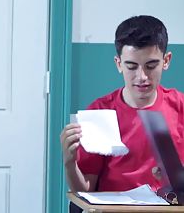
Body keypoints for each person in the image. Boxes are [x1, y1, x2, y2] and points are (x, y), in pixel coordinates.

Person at [60, 15, 184, 211]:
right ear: (119, 64)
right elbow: (85, 193)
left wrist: (175, 182)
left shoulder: (180, 107)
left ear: (166, 61)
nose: (142, 77)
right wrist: (69, 163)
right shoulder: (100, 112)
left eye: (151, 66)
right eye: (131, 66)